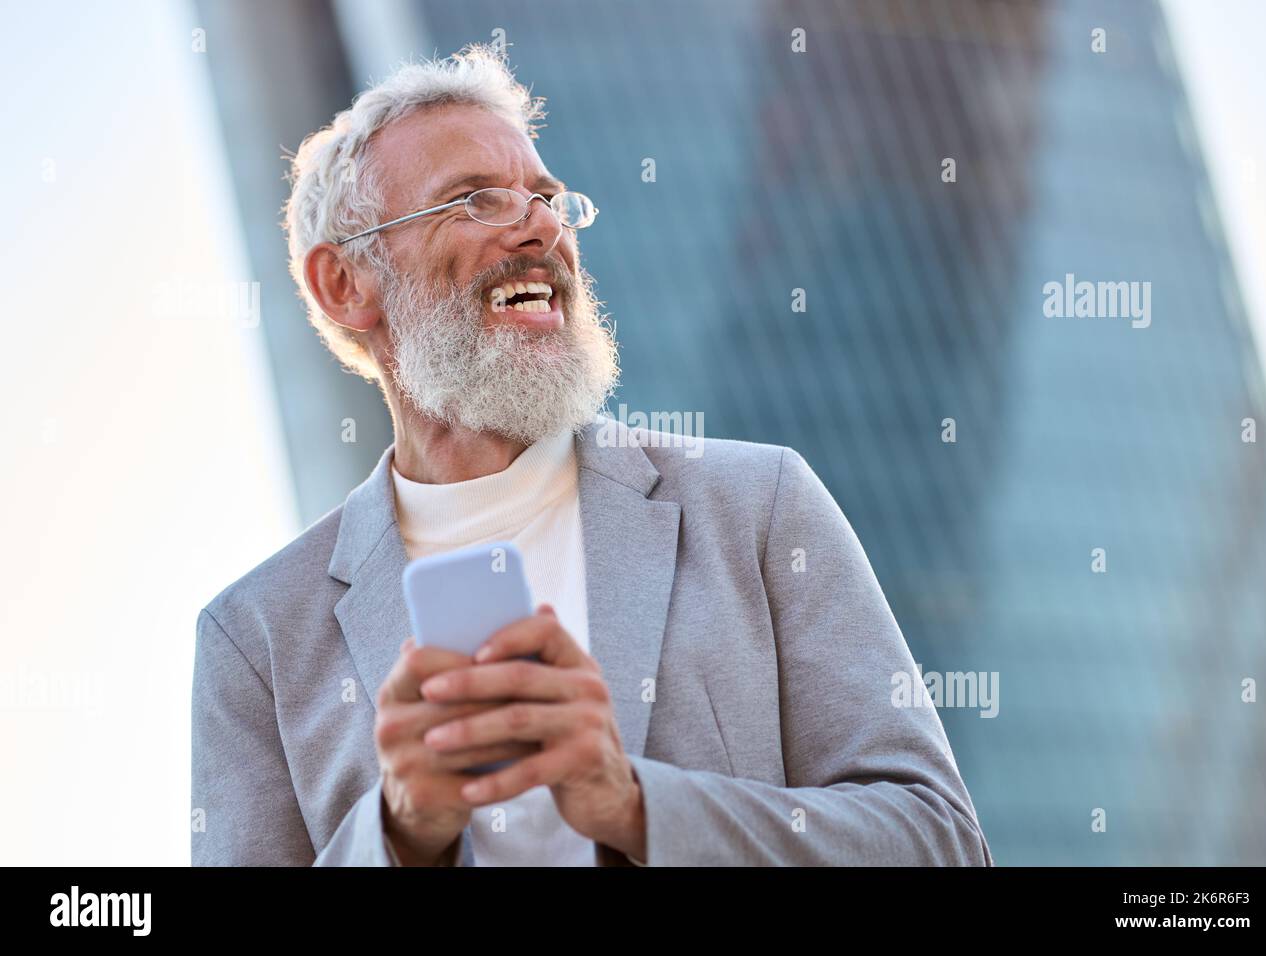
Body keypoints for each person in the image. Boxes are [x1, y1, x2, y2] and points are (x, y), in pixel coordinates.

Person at [190, 44, 993, 867]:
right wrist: (396, 834)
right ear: (346, 285)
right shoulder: (255, 640)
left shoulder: (757, 507)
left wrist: (634, 804)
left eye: (546, 198)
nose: (541, 225)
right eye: (476, 201)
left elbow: (938, 843)